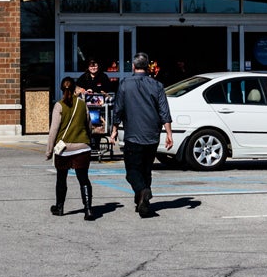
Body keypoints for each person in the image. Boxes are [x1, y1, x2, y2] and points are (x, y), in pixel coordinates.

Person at [110, 53, 173, 218]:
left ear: (133, 67)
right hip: (152, 134)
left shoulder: (125, 85)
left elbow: (118, 109)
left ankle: (143, 191)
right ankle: (142, 203)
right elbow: (164, 111)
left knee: (132, 170)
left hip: (133, 135)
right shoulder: (157, 85)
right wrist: (169, 133)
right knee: (146, 169)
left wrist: (114, 129)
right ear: (147, 68)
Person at [44, 77, 96, 220]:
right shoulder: (82, 104)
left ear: (61, 89)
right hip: (82, 147)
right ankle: (88, 209)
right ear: (75, 89)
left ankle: (59, 207)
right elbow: (89, 125)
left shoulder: (59, 106)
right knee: (83, 179)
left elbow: (53, 130)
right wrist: (88, 139)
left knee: (61, 178)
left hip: (64, 148)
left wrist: (49, 151)